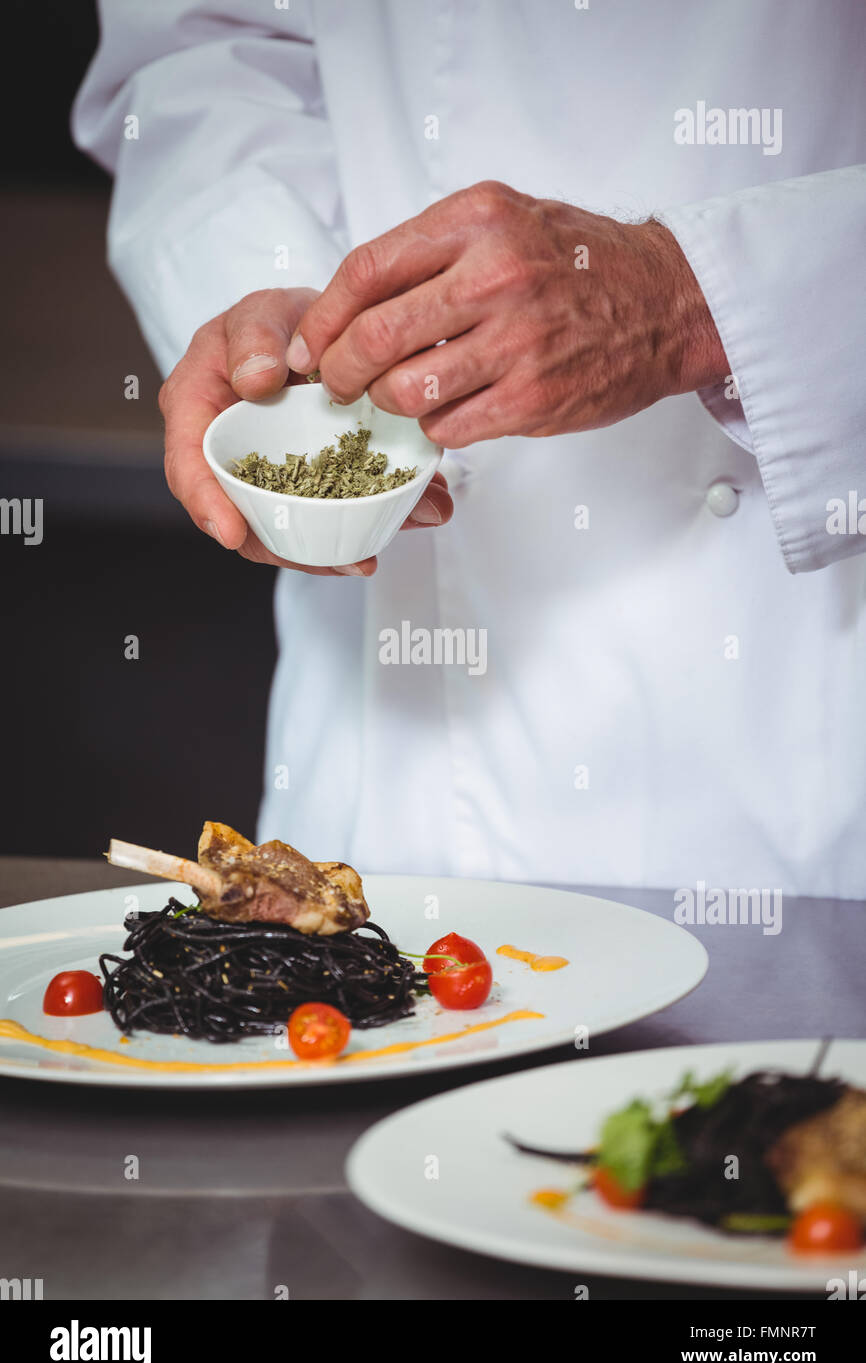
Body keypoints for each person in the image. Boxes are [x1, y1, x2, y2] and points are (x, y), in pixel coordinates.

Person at [73, 1, 866, 897]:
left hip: (811, 753)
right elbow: (200, 52)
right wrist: (278, 302)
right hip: (401, 763)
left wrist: (701, 298)